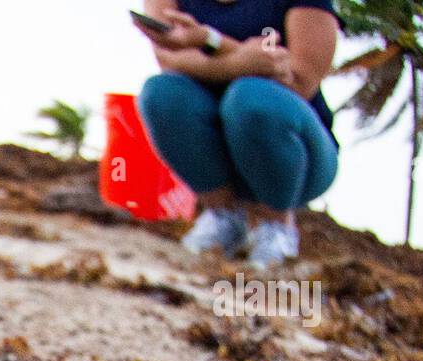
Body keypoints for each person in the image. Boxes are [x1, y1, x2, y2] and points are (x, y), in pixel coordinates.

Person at [134, 1, 340, 270]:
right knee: (162, 93)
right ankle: (222, 216)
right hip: (219, 153)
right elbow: (169, 58)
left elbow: (299, 79)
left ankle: (277, 226)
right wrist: (236, 62)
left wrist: (211, 42)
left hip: (300, 160)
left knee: (249, 98)